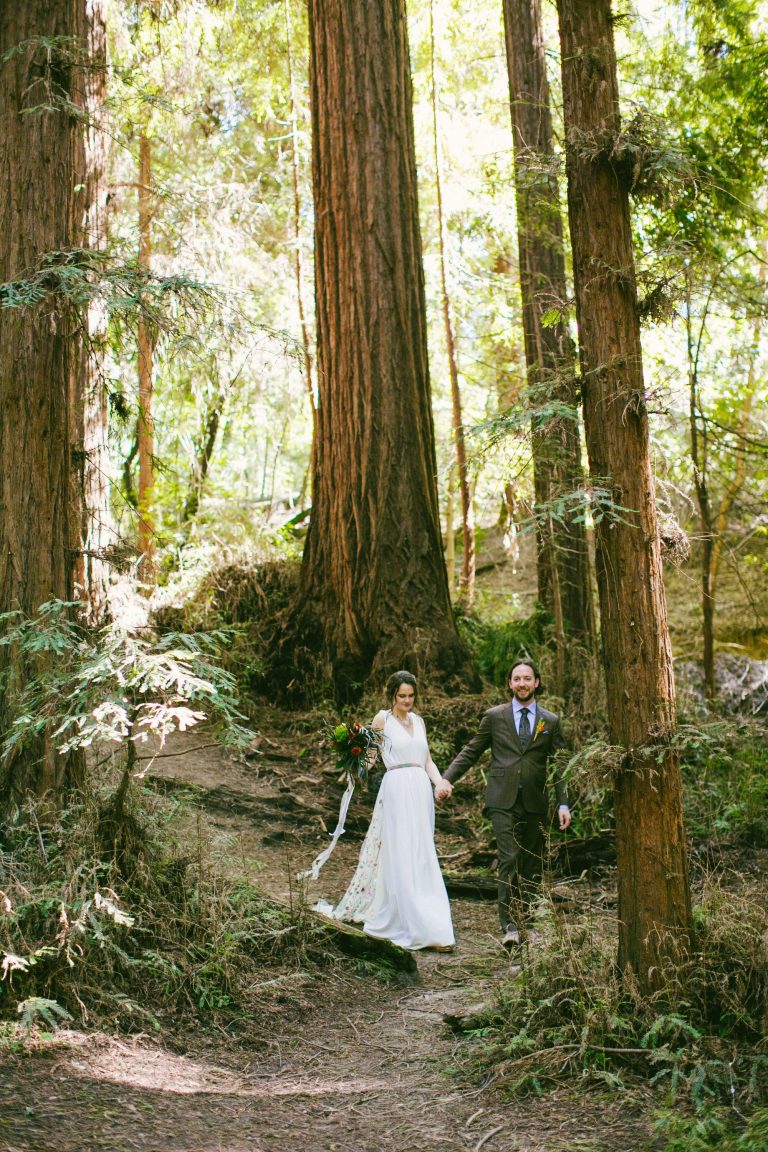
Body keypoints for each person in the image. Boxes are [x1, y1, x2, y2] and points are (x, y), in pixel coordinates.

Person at [436, 660, 570, 948]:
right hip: (502, 798)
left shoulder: (550, 721)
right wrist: (446, 779)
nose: (522, 683)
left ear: (536, 682)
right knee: (509, 858)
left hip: (535, 800)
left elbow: (560, 764)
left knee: (532, 863)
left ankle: (529, 924)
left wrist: (563, 803)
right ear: (510, 683)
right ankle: (509, 927)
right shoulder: (495, 717)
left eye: (527, 678)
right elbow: (472, 751)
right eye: (517, 678)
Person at [323, 670, 455, 952]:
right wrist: (354, 766)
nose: (407, 701)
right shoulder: (382, 719)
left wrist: (440, 782)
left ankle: (432, 920)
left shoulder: (418, 721)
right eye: (401, 696)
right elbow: (371, 755)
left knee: (422, 852)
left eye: (411, 696)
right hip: (396, 787)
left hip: (420, 789)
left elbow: (428, 760)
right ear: (392, 695)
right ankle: (411, 922)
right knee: (402, 851)